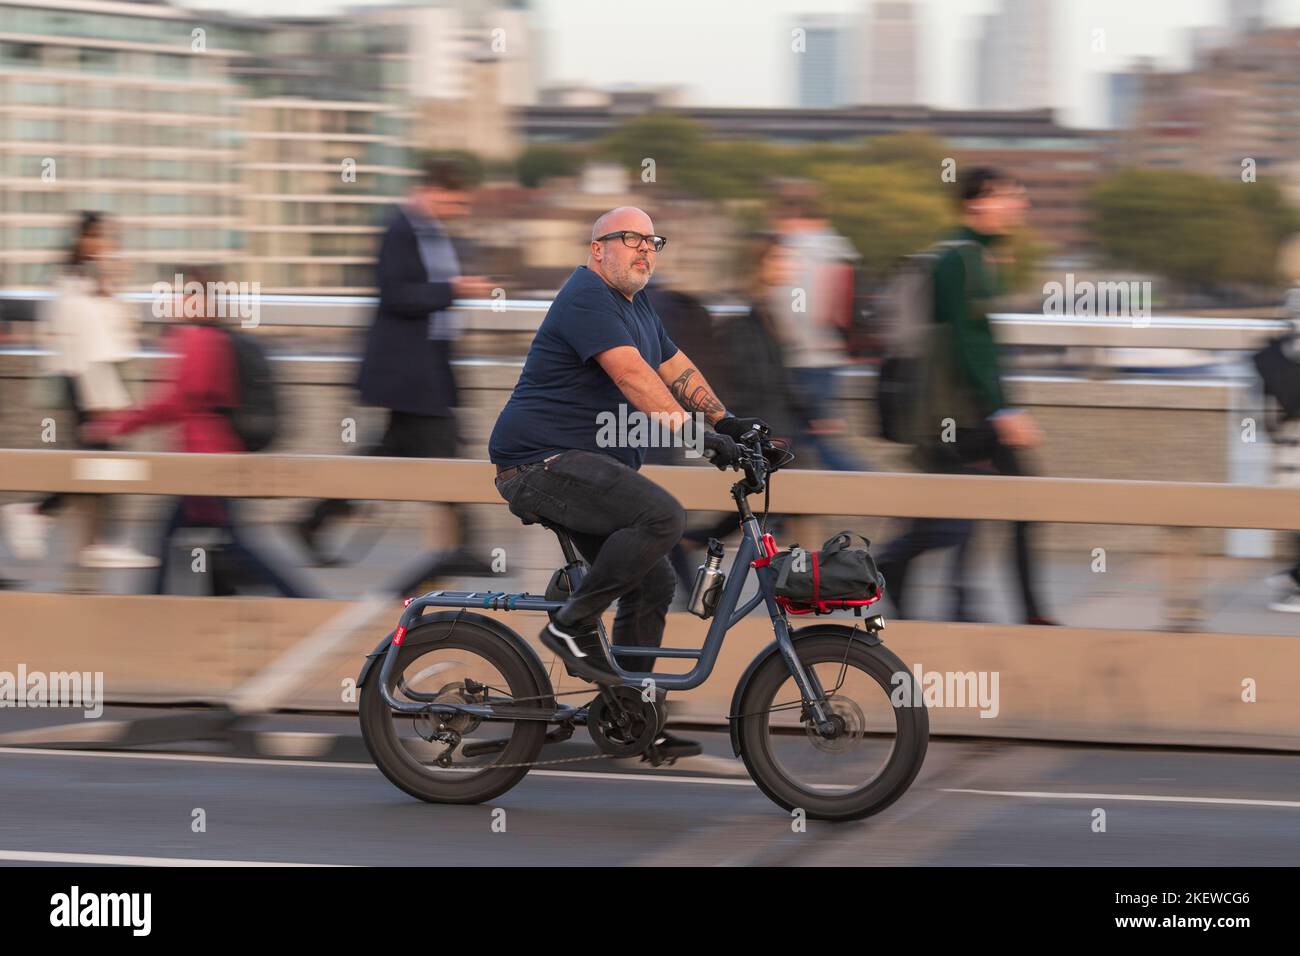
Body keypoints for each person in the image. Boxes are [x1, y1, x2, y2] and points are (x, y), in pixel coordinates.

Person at [488, 206, 766, 761]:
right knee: (663, 517)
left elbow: (676, 370)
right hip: (540, 463)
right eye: (630, 238)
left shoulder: (636, 308)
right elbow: (633, 376)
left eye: (652, 241)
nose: (645, 249)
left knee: (654, 583)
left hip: (583, 470)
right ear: (597, 249)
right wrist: (700, 440)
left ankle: (633, 712)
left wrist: (730, 423)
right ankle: (571, 625)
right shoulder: (587, 297)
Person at [876, 167, 1056, 625]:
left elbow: (976, 340)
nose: (1020, 205)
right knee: (1000, 505)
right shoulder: (965, 259)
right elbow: (970, 341)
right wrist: (1003, 409)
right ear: (978, 202)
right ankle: (1015, 609)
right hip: (960, 411)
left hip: (956, 410)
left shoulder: (971, 255)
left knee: (959, 508)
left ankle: (944, 591)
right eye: (1011, 195)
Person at [296, 158, 490, 572]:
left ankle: (314, 521)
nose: (459, 212)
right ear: (433, 192)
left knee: (395, 455)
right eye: (455, 202)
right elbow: (397, 294)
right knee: (441, 451)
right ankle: (464, 550)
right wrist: (452, 290)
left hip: (427, 366)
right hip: (408, 371)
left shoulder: (429, 232)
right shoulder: (400, 230)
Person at [86, 266, 306, 597]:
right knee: (212, 543)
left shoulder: (197, 339)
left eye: (182, 295)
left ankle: (300, 600)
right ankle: (220, 605)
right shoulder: (211, 337)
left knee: (218, 544)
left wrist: (118, 424)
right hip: (210, 456)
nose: (174, 301)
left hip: (205, 460)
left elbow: (174, 402)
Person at [2, 211, 157, 570]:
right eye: (102, 237)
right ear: (84, 239)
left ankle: (72, 529)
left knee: (99, 460)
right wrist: (99, 397)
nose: (109, 244)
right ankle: (46, 517)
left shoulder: (92, 278)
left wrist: (112, 289)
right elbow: (81, 336)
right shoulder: (70, 280)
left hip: (102, 376)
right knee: (103, 460)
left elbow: (120, 327)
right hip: (87, 379)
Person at [767, 179, 869, 473]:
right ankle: (785, 515)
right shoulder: (836, 246)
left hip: (801, 362)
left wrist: (781, 341)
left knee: (809, 446)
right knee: (801, 445)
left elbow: (794, 308)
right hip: (829, 357)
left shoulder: (796, 250)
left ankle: (878, 491)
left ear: (791, 213)